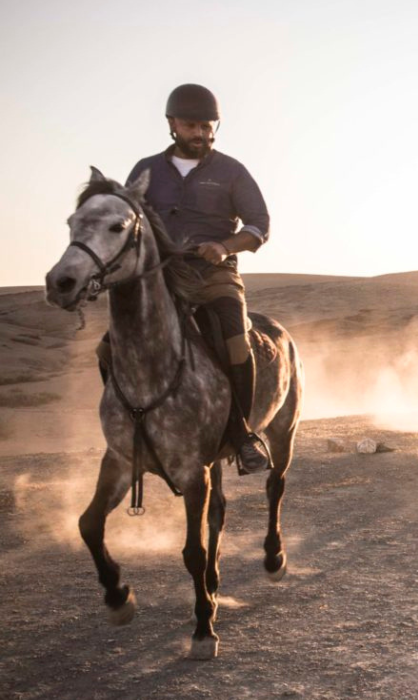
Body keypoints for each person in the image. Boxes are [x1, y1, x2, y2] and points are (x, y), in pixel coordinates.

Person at [95, 83, 273, 473]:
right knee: (108, 347)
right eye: (193, 126)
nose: (202, 134)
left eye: (209, 126)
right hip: (159, 279)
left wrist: (225, 247)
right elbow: (127, 223)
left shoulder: (231, 171)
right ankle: (129, 425)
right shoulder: (145, 170)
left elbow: (260, 225)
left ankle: (241, 433)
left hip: (214, 275)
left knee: (236, 342)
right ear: (172, 124)